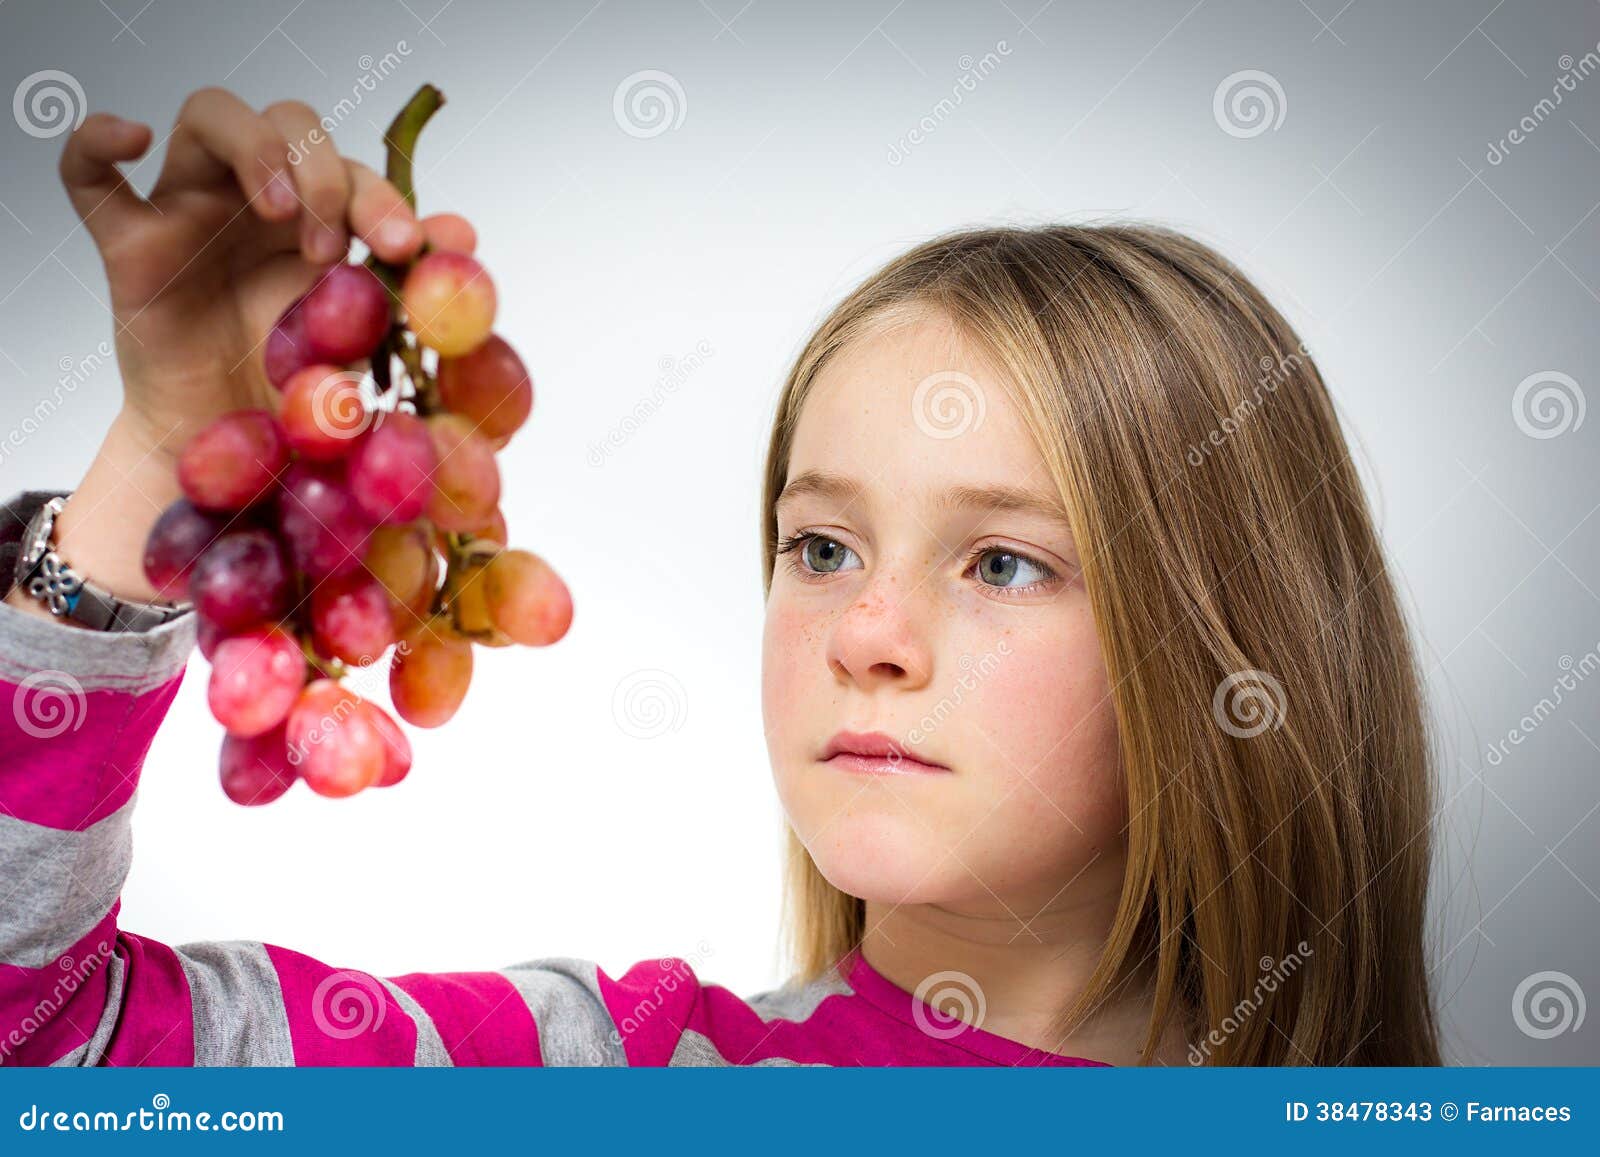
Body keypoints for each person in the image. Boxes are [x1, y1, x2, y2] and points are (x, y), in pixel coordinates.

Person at [0, 88, 1441, 1067]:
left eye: (1003, 560)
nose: (866, 632)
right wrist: (170, 441)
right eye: (821, 547)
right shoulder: (623, 1071)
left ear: (1231, 649)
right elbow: (44, 1047)